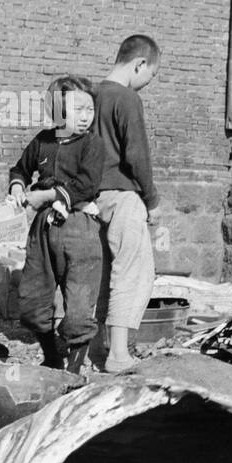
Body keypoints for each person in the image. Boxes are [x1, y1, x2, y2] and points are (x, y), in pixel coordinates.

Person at [10, 76, 105, 373]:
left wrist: (47, 195)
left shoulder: (92, 144)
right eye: (78, 109)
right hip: (43, 230)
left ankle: (74, 369)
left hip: (78, 228)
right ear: (58, 110)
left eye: (89, 109)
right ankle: (51, 356)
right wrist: (17, 186)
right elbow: (20, 169)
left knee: (78, 305)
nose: (85, 116)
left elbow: (86, 186)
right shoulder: (43, 141)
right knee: (32, 299)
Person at [92, 35, 160, 373]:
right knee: (132, 271)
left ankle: (96, 347)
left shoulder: (89, 95)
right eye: (150, 76)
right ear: (139, 64)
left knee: (104, 273)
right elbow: (137, 156)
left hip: (93, 198)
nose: (147, 83)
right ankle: (118, 354)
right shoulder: (127, 99)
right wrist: (152, 200)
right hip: (124, 196)